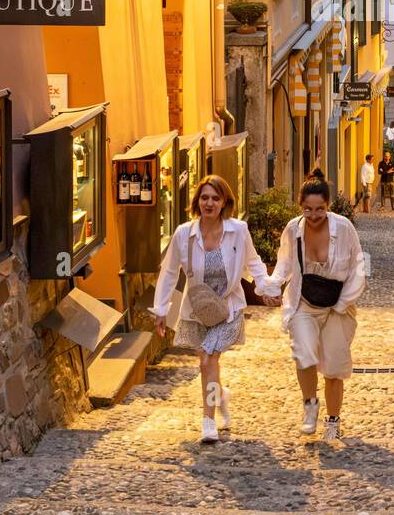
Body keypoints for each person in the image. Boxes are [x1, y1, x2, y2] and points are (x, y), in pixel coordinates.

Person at [153, 174, 279, 444]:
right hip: (199, 310)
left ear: (224, 202)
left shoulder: (238, 231)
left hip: (229, 309)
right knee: (208, 363)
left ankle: (208, 420)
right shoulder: (184, 234)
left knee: (207, 360)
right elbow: (169, 273)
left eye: (215, 198)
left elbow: (255, 263)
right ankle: (220, 396)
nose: (209, 203)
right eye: (205, 197)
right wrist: (161, 309)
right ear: (197, 201)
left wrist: (266, 289)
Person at [266, 177, 366, 440]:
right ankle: (309, 405)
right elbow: (284, 263)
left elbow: (359, 267)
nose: (313, 215)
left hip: (338, 306)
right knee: (303, 354)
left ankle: (333, 420)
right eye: (307, 209)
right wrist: (272, 285)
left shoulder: (344, 229)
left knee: (334, 368)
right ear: (300, 206)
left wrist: (343, 303)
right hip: (304, 302)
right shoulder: (293, 229)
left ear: (328, 205)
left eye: (319, 209)